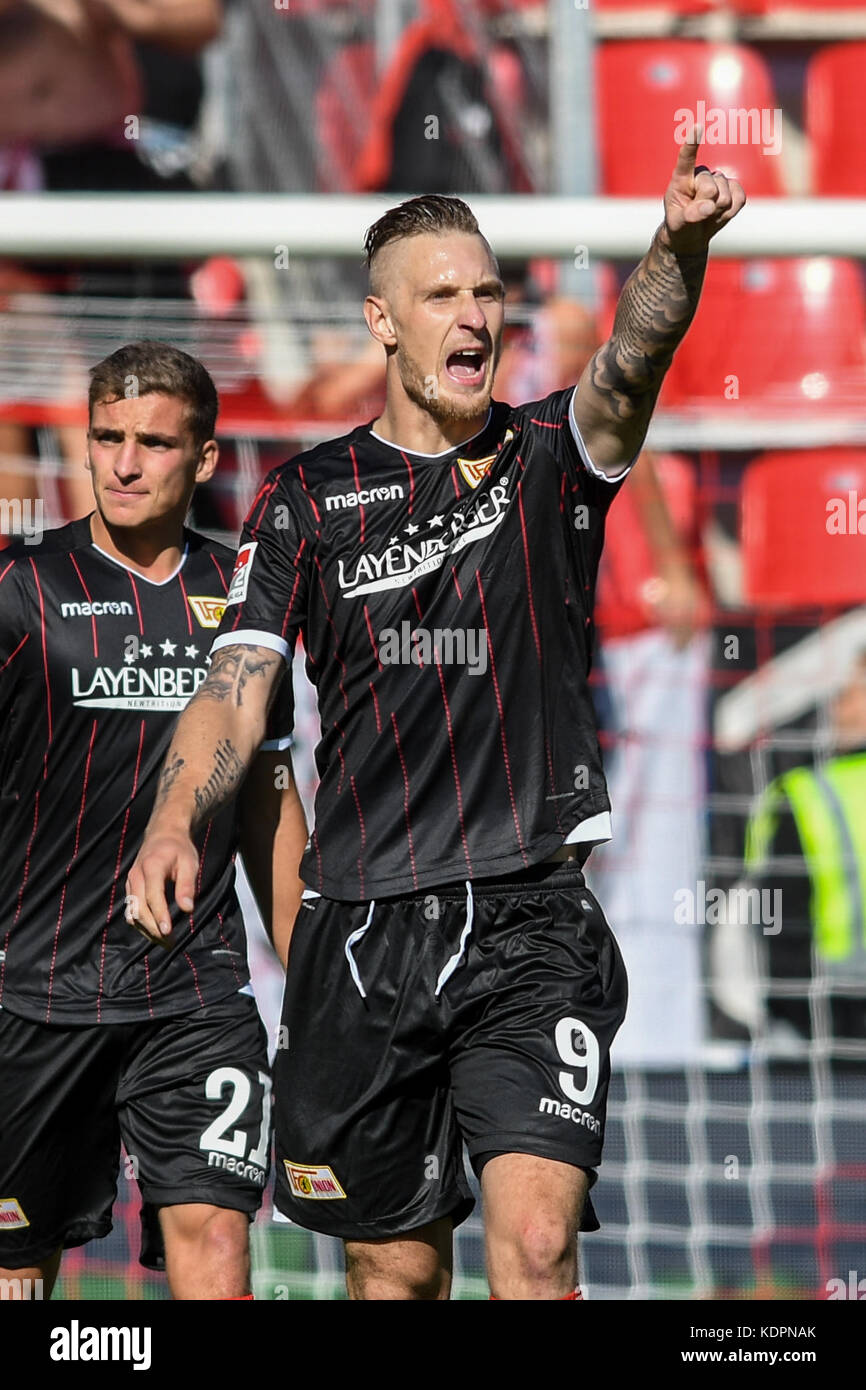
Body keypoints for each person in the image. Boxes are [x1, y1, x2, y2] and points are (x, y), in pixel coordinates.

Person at [129, 147, 746, 1300]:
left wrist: (677, 247)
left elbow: (633, 356)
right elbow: (233, 686)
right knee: (395, 1270)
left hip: (529, 921)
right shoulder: (307, 499)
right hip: (364, 932)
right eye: (441, 295)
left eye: (487, 291)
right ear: (382, 322)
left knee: (535, 1246)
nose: (474, 316)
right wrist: (174, 822)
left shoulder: (550, 459)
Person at [0, 341, 307, 1300]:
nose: (124, 463)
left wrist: (318, 994)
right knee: (17, 1275)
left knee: (217, 1254)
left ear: (206, 458)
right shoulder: (18, 590)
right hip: (36, 990)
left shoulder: (246, 613)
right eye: (106, 437)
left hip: (195, 992)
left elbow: (268, 811)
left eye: (154, 443)